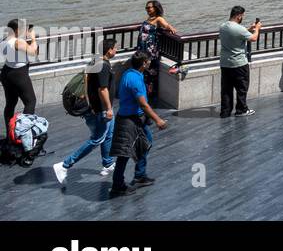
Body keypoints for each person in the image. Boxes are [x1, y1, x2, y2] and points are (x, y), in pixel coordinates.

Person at [53, 37, 117, 185]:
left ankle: (107, 163)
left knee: (108, 135)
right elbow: (103, 89)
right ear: (109, 50)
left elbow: (88, 80)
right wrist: (108, 108)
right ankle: (64, 165)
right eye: (115, 48)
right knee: (97, 139)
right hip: (101, 109)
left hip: (98, 108)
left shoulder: (95, 60)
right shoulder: (103, 65)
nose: (116, 50)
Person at [108, 51, 167, 197]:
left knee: (145, 143)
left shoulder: (130, 73)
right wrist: (158, 120)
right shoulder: (134, 80)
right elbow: (143, 105)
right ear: (144, 63)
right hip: (129, 120)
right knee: (124, 154)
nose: (149, 62)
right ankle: (117, 185)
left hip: (135, 119)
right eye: (148, 61)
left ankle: (140, 175)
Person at [218, 6, 261, 118]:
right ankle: (241, 110)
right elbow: (254, 38)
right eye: (242, 16)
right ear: (238, 16)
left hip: (225, 63)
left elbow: (236, 34)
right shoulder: (239, 28)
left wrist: (248, 29)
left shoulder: (223, 26)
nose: (242, 18)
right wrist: (257, 28)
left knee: (226, 89)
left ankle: (225, 112)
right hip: (239, 63)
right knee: (242, 88)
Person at [135, 0, 178, 101]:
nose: (147, 10)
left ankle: (150, 96)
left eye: (149, 7)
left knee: (151, 72)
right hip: (143, 49)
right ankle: (144, 94)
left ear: (156, 8)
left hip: (151, 51)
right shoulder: (149, 19)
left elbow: (166, 25)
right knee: (144, 71)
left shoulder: (159, 19)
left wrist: (171, 28)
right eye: (146, 8)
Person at [2, 19, 39, 124]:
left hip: (6, 72)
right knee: (30, 102)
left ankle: (11, 135)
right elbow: (33, 52)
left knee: (10, 103)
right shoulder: (19, 42)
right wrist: (33, 39)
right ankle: (23, 132)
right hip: (19, 74)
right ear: (17, 30)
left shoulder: (5, 40)